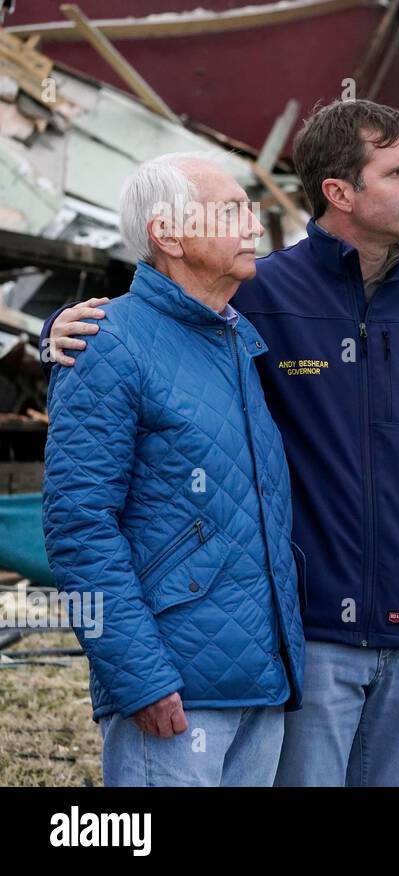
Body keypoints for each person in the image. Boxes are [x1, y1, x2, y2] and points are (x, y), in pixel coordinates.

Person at [43, 101, 399, 786]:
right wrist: (61, 332)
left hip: (332, 660)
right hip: (262, 655)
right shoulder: (249, 305)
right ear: (340, 191)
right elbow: (81, 517)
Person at [42, 153, 306, 786]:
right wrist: (141, 677)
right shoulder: (106, 342)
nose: (254, 221)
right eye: (232, 209)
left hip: (262, 679)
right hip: (174, 692)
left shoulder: (238, 336)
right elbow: (79, 527)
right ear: (168, 233)